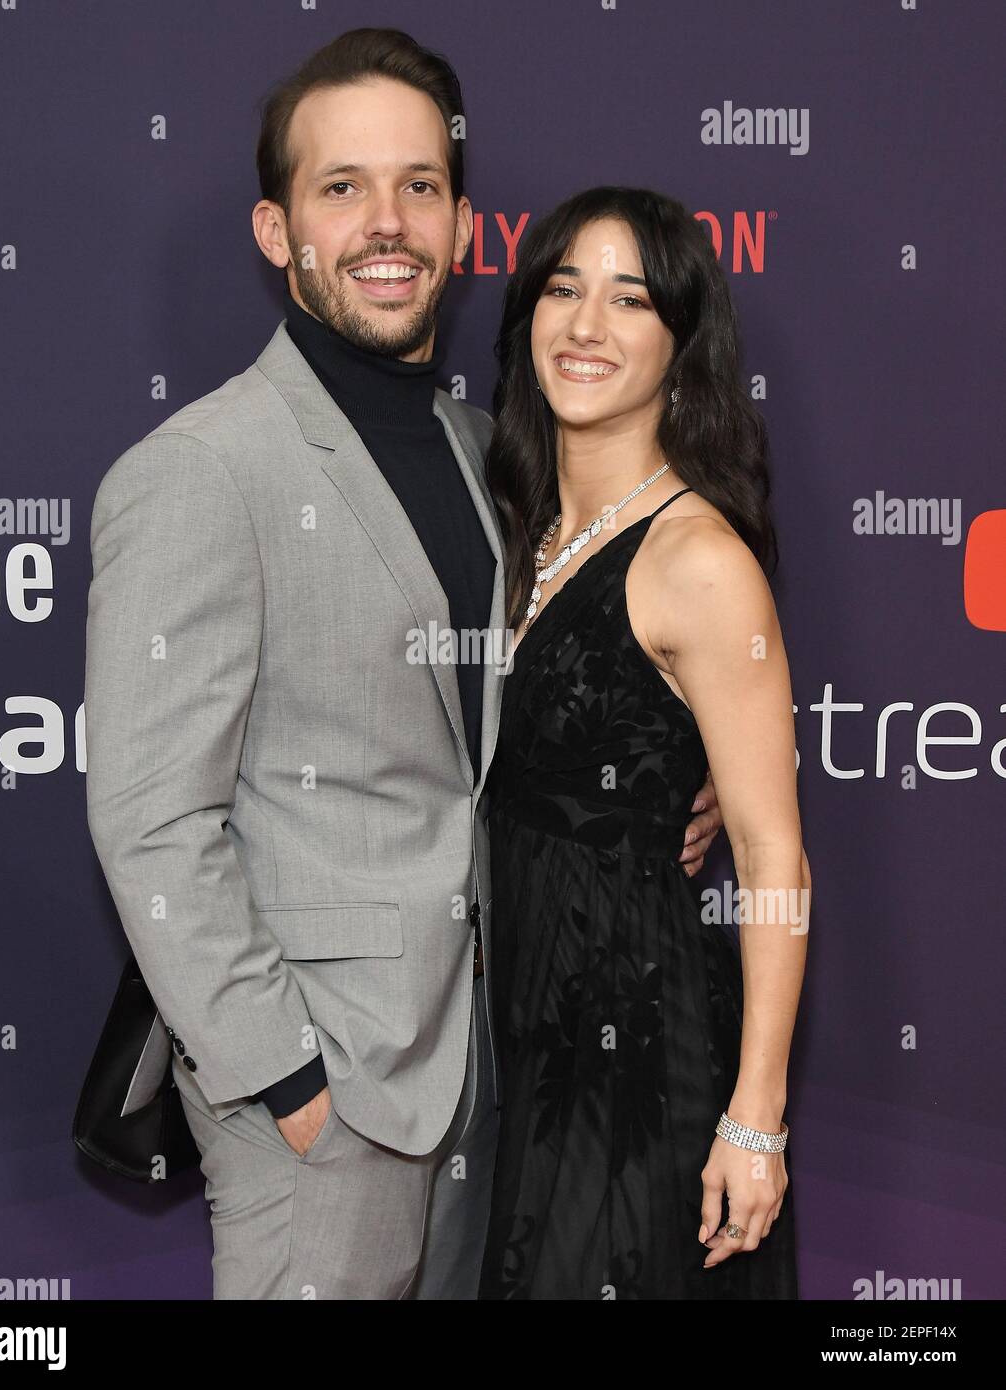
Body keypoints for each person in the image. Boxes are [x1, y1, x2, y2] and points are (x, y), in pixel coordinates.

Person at [84, 31, 721, 1301]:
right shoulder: (203, 470)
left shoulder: (488, 450)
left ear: (462, 222)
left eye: (419, 185)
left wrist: (668, 779)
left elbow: (508, 717)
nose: (388, 222)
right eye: (343, 187)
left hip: (489, 1061)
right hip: (326, 1095)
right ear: (276, 231)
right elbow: (150, 817)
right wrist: (284, 1079)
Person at [477, 186, 809, 1299]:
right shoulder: (510, 519)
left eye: (628, 299)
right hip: (501, 1025)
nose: (585, 325)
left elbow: (770, 858)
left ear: (679, 341)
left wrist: (754, 1118)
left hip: (631, 1044)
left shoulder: (698, 558)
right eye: (562, 288)